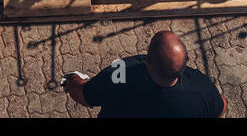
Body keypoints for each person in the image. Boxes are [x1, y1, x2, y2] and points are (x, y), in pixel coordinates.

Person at [62, 30, 225, 118]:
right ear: (187, 59)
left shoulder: (122, 73)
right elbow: (221, 107)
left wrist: (72, 79)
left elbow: (84, 95)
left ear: (149, 61)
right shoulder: (202, 90)